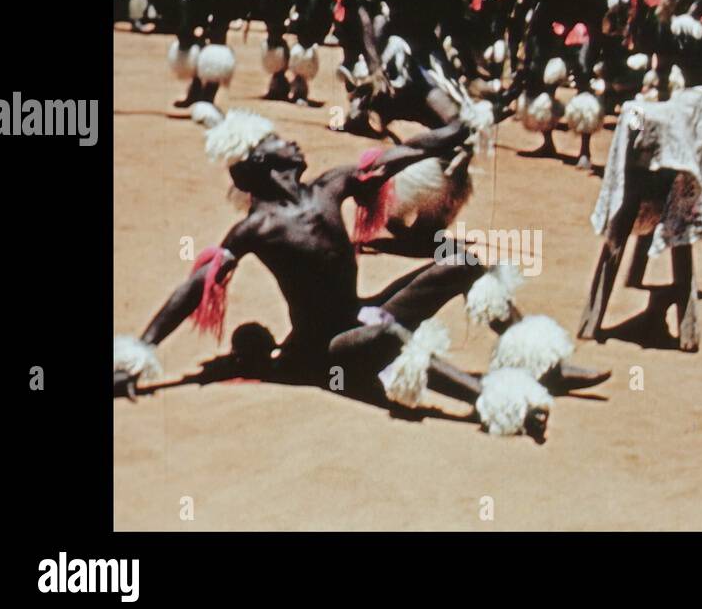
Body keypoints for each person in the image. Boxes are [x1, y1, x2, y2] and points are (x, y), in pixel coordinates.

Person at [114, 111, 610, 438]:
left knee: (464, 261)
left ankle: (544, 364)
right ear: (262, 161)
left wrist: (465, 125)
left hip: (361, 314)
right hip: (322, 351)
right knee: (387, 334)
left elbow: (410, 151)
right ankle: (498, 404)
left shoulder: (331, 185)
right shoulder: (257, 228)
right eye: (277, 140)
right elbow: (195, 287)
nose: (292, 139)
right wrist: (142, 351)